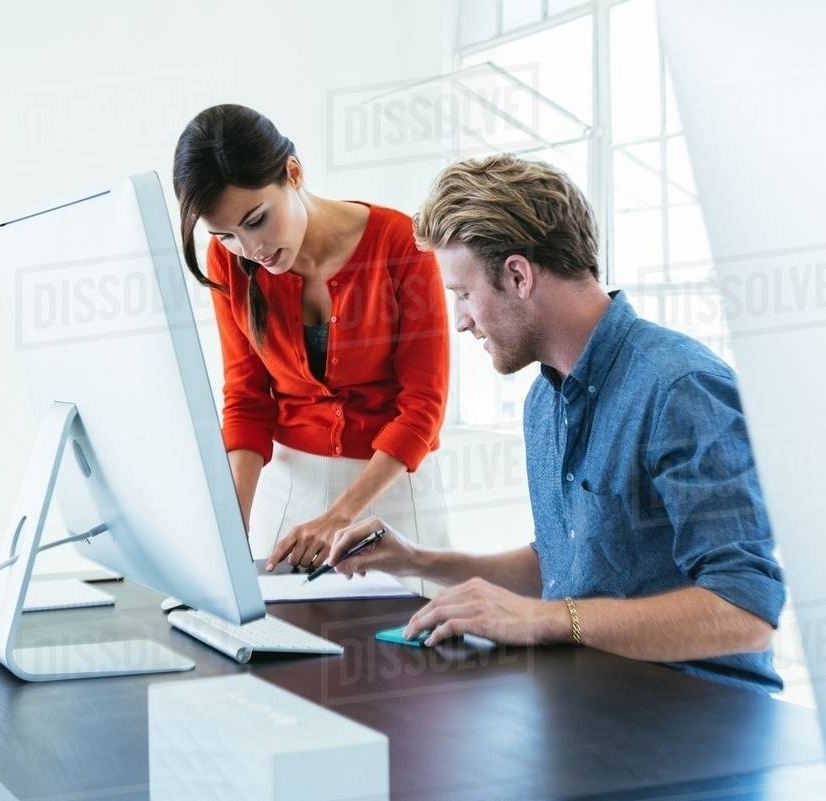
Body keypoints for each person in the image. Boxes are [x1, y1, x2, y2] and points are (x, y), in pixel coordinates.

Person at [329, 154, 787, 693]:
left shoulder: (680, 389)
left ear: (518, 275)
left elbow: (746, 612)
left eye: (463, 293)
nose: (460, 320)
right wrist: (418, 560)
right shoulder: (543, 402)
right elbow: (566, 563)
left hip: (700, 716)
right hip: (593, 699)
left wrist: (546, 620)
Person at [173, 105, 451, 585]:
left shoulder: (401, 244)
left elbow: (423, 408)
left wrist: (340, 516)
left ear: (293, 174)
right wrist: (229, 529)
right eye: (225, 235)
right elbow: (246, 399)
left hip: (391, 491)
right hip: (286, 491)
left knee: (406, 654)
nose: (249, 249)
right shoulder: (230, 261)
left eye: (256, 220)